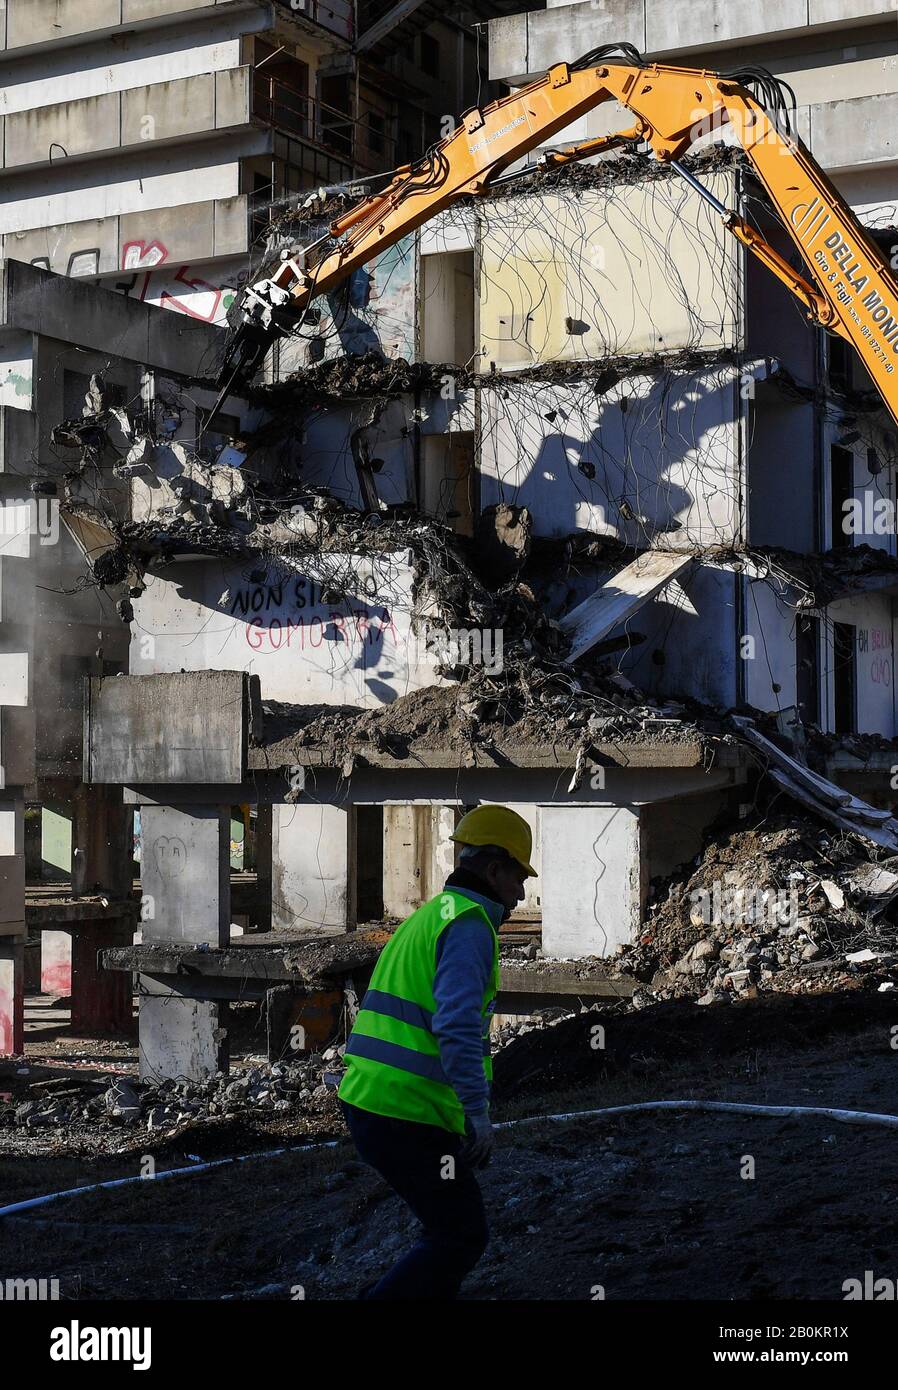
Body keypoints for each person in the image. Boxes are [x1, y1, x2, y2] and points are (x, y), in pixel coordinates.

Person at [338, 804, 536, 1299]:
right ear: (492, 869)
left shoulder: (430, 915)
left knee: (447, 1233)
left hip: (377, 1104)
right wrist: (477, 1112)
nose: (522, 890)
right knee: (459, 1235)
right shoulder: (470, 927)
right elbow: (457, 1027)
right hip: (403, 1112)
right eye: (517, 875)